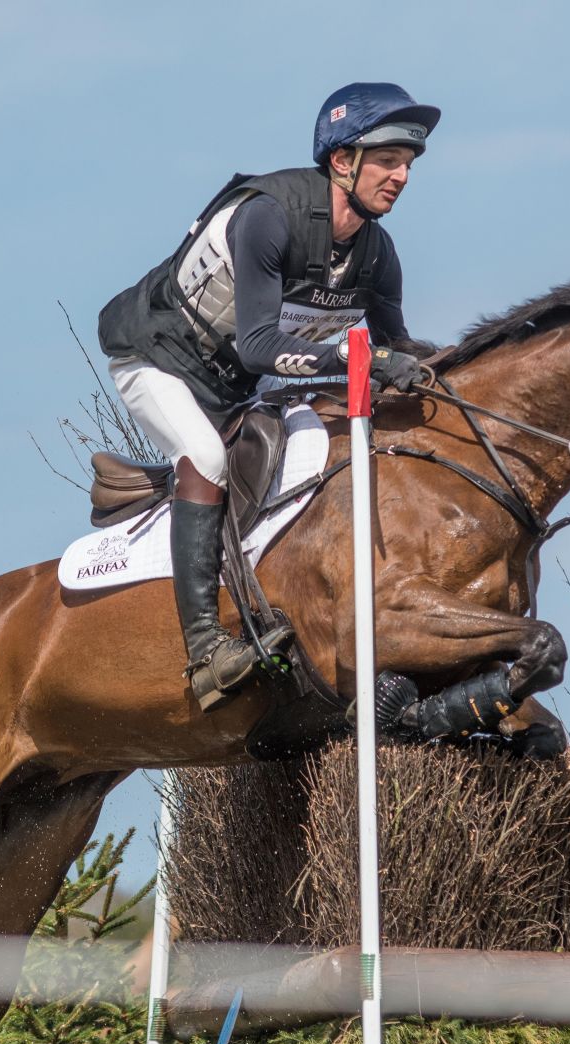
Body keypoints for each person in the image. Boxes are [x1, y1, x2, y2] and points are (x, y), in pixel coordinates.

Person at [98, 82, 438, 710]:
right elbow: (259, 344)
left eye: (409, 164)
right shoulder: (270, 216)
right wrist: (352, 358)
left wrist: (454, 370)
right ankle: (205, 650)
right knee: (205, 454)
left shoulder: (377, 255)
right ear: (343, 161)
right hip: (158, 358)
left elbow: (397, 347)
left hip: (237, 385)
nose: (403, 176)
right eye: (389, 160)